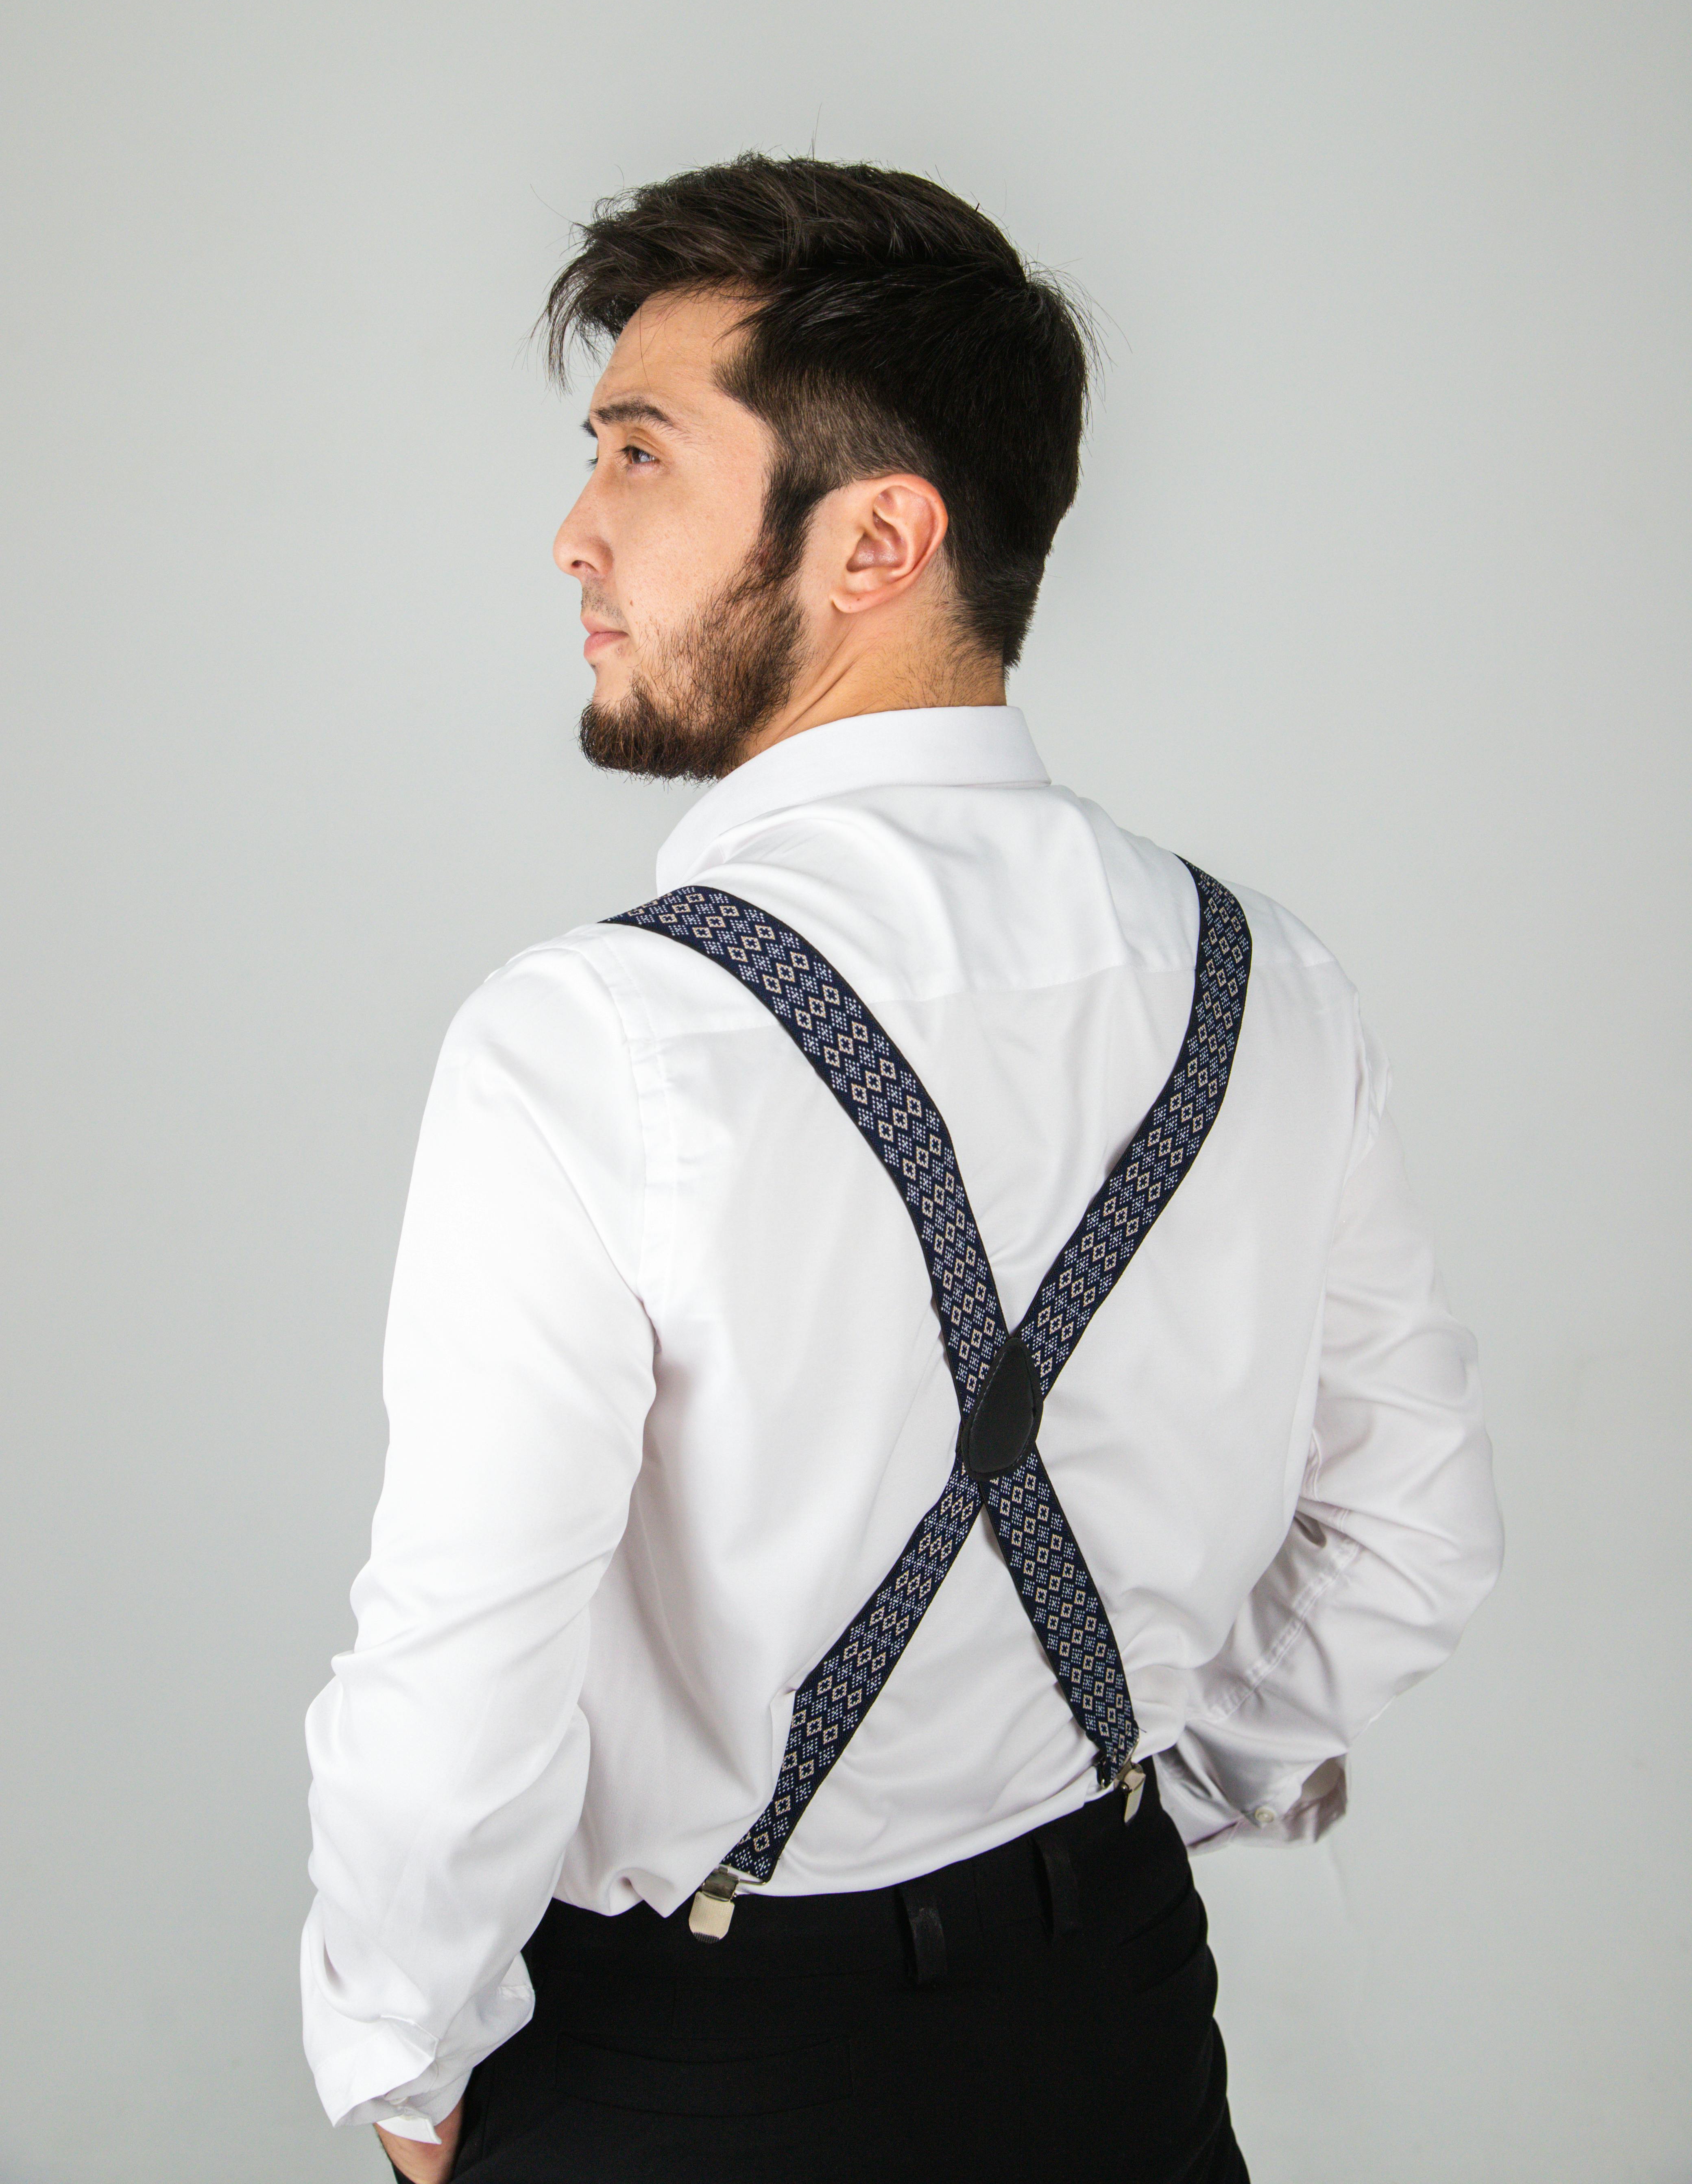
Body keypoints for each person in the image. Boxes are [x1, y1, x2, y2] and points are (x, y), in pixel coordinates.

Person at [300, 155, 1502, 2183]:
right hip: (1117, 2030)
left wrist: (406, 2061)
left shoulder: (593, 1038)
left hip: (699, 2077)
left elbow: (457, 1672)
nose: (575, 533)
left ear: (876, 538)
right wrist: (1138, 1807)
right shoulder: (1264, 983)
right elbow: (1415, 1528)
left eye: (639, 457)